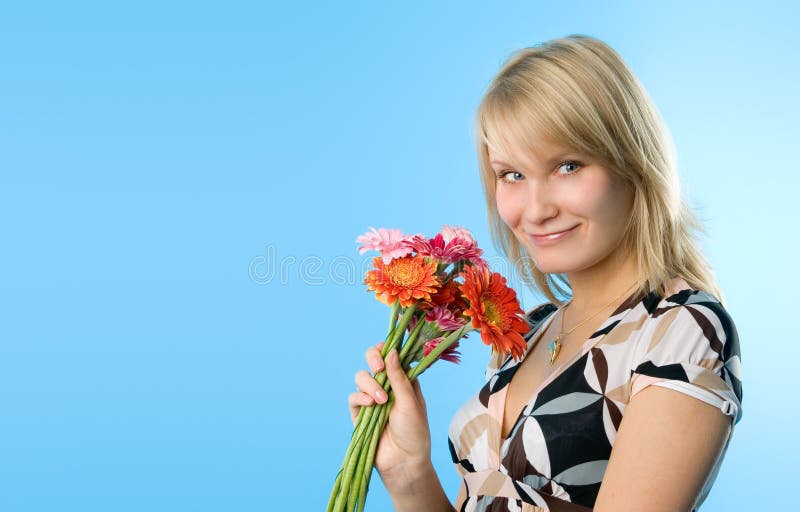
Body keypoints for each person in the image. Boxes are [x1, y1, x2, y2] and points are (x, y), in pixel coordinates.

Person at [348, 34, 743, 512]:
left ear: (632, 163)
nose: (535, 210)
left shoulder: (681, 331)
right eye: (511, 174)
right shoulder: (528, 331)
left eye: (568, 166)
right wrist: (408, 472)